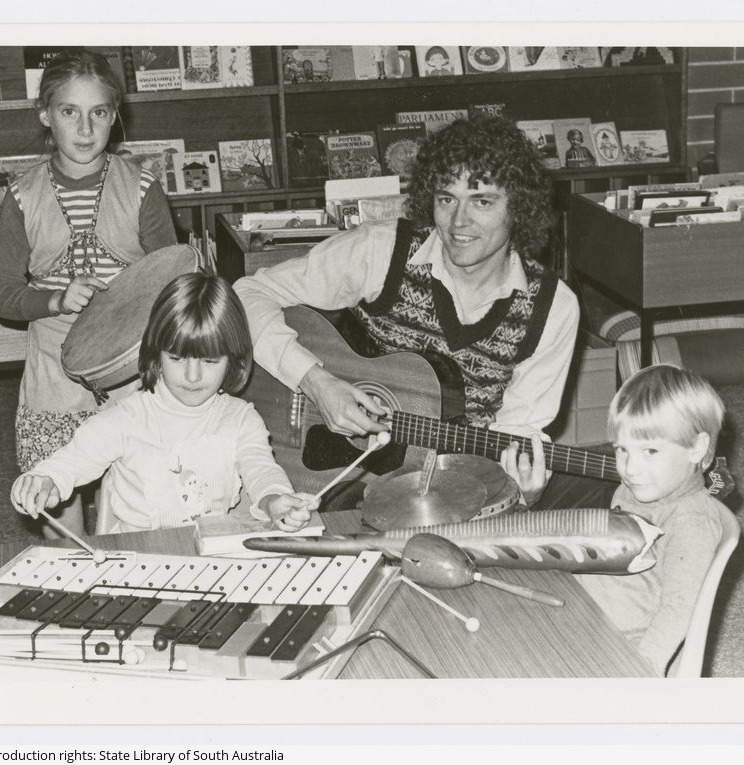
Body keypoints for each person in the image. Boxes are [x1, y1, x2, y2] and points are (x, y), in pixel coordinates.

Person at [234, 113, 605, 510]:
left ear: (519, 208)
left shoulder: (553, 308)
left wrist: (519, 492)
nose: (459, 222)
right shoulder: (380, 251)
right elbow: (246, 293)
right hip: (330, 480)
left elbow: (517, 433)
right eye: (447, 198)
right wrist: (315, 382)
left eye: (482, 201)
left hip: (449, 490)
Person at [0, 49, 178, 538]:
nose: (86, 128)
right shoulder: (23, 195)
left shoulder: (142, 185)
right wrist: (53, 300)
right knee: (59, 514)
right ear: (45, 115)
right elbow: (3, 294)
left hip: (135, 372)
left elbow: (175, 279)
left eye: (99, 113)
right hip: (55, 373)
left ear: (115, 117)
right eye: (70, 112)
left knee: (141, 505)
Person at [9, 273, 319, 535]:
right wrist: (44, 481)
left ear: (233, 360)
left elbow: (262, 470)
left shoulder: (241, 419)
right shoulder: (126, 419)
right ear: (156, 352)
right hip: (142, 557)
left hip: (212, 555)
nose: (193, 375)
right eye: (176, 357)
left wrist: (275, 499)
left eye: (210, 360)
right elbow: (71, 461)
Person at [574, 364, 727, 676]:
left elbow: (680, 608)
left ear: (696, 448)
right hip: (586, 615)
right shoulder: (634, 489)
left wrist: (642, 669)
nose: (630, 469)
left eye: (650, 451)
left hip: (621, 646)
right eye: (622, 450)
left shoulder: (691, 521)